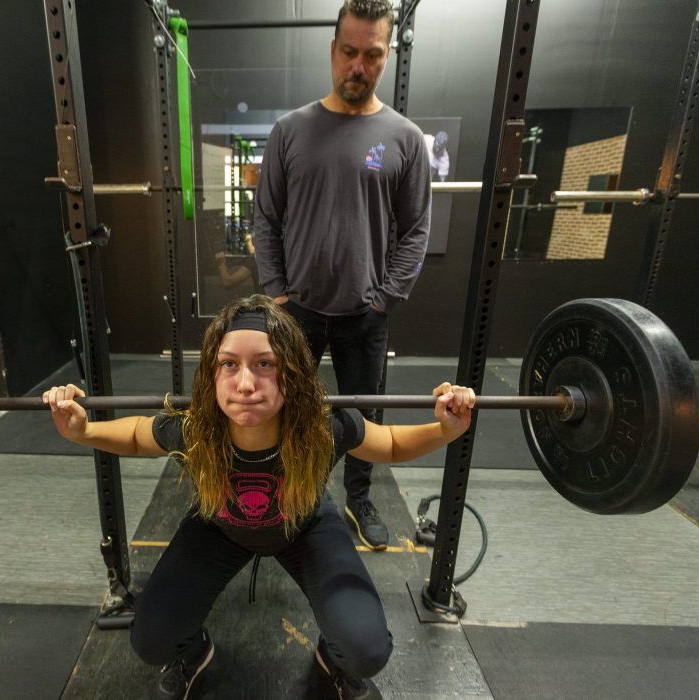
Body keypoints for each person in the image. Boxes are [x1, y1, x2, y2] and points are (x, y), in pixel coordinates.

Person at [44, 295, 474, 700]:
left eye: (265, 364)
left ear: (293, 372)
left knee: (365, 651)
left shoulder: (323, 427)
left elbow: (394, 443)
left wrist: (446, 429)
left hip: (304, 526)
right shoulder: (196, 429)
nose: (245, 383)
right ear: (211, 374)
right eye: (228, 365)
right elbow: (139, 434)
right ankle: (194, 653)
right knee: (152, 641)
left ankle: (334, 654)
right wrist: (83, 431)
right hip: (219, 526)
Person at [253, 0, 432, 550]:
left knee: (362, 415)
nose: (358, 65)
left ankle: (359, 498)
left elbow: (417, 229)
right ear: (333, 51)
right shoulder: (290, 131)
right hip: (297, 311)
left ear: (387, 55)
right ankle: (291, 492)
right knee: (287, 407)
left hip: (364, 313)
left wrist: (385, 298)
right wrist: (276, 294)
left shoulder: (403, 138)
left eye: (372, 55)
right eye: (349, 52)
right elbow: (265, 219)